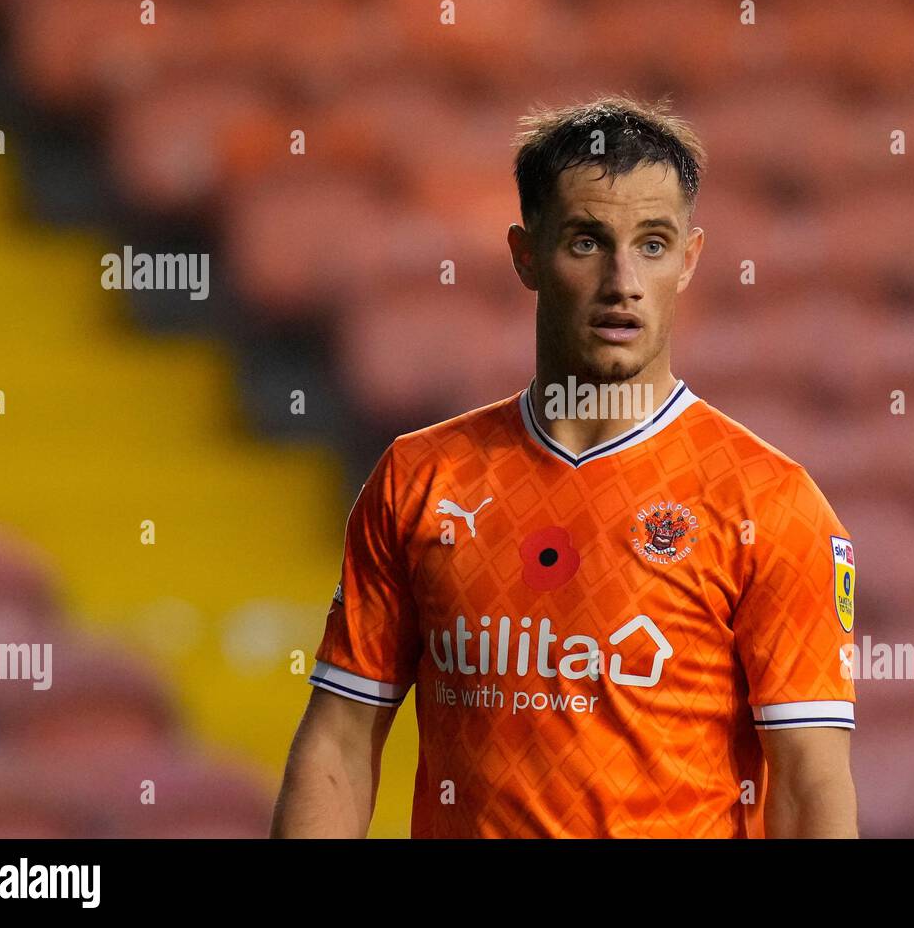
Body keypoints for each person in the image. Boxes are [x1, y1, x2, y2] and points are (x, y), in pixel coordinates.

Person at [271, 95, 858, 838]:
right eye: (587, 241)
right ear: (526, 254)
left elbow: (809, 784)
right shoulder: (419, 479)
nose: (623, 279)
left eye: (652, 243)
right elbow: (339, 745)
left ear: (690, 258)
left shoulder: (769, 502)